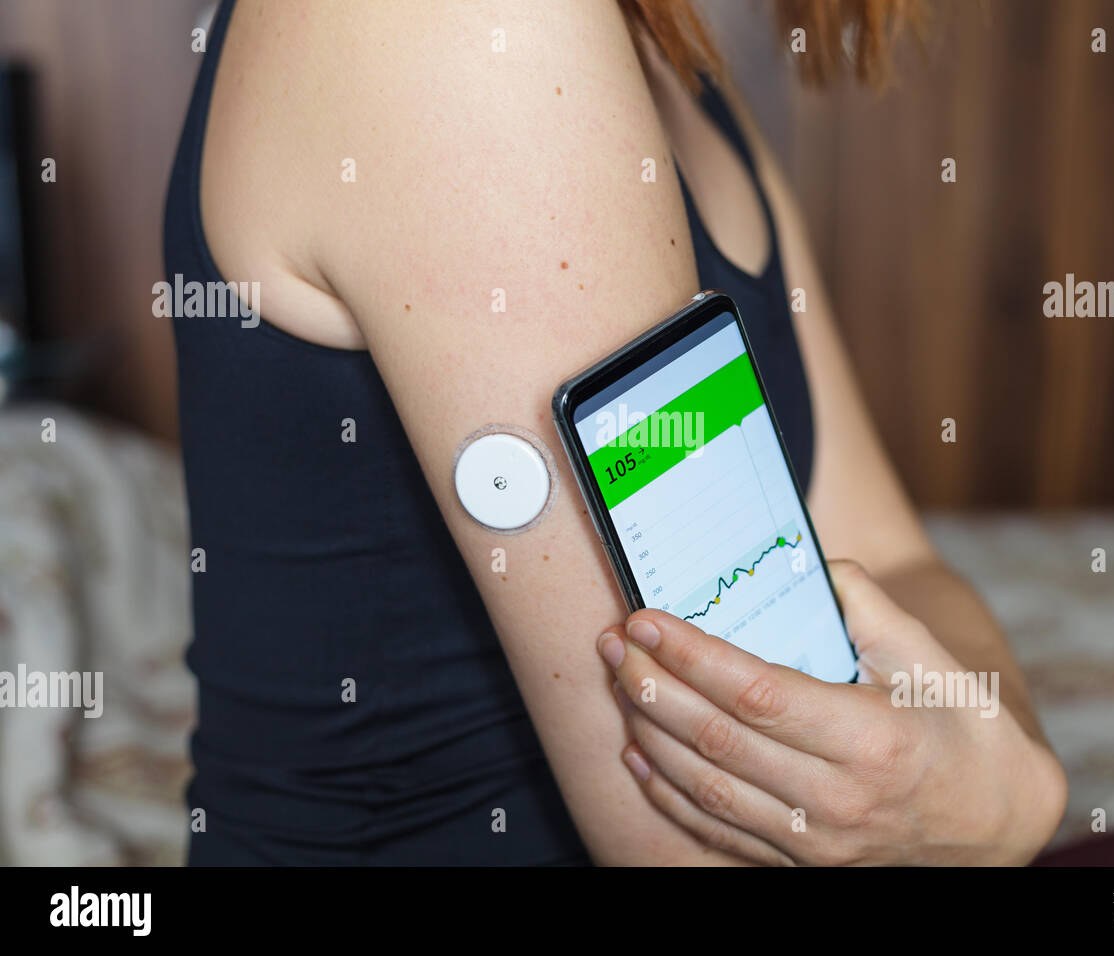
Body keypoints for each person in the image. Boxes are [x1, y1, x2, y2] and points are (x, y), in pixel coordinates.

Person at [165, 0, 1066, 865]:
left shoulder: (667, 54)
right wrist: (1004, 810)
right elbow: (690, 843)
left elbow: (891, 560)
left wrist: (1000, 779)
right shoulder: (465, 27)